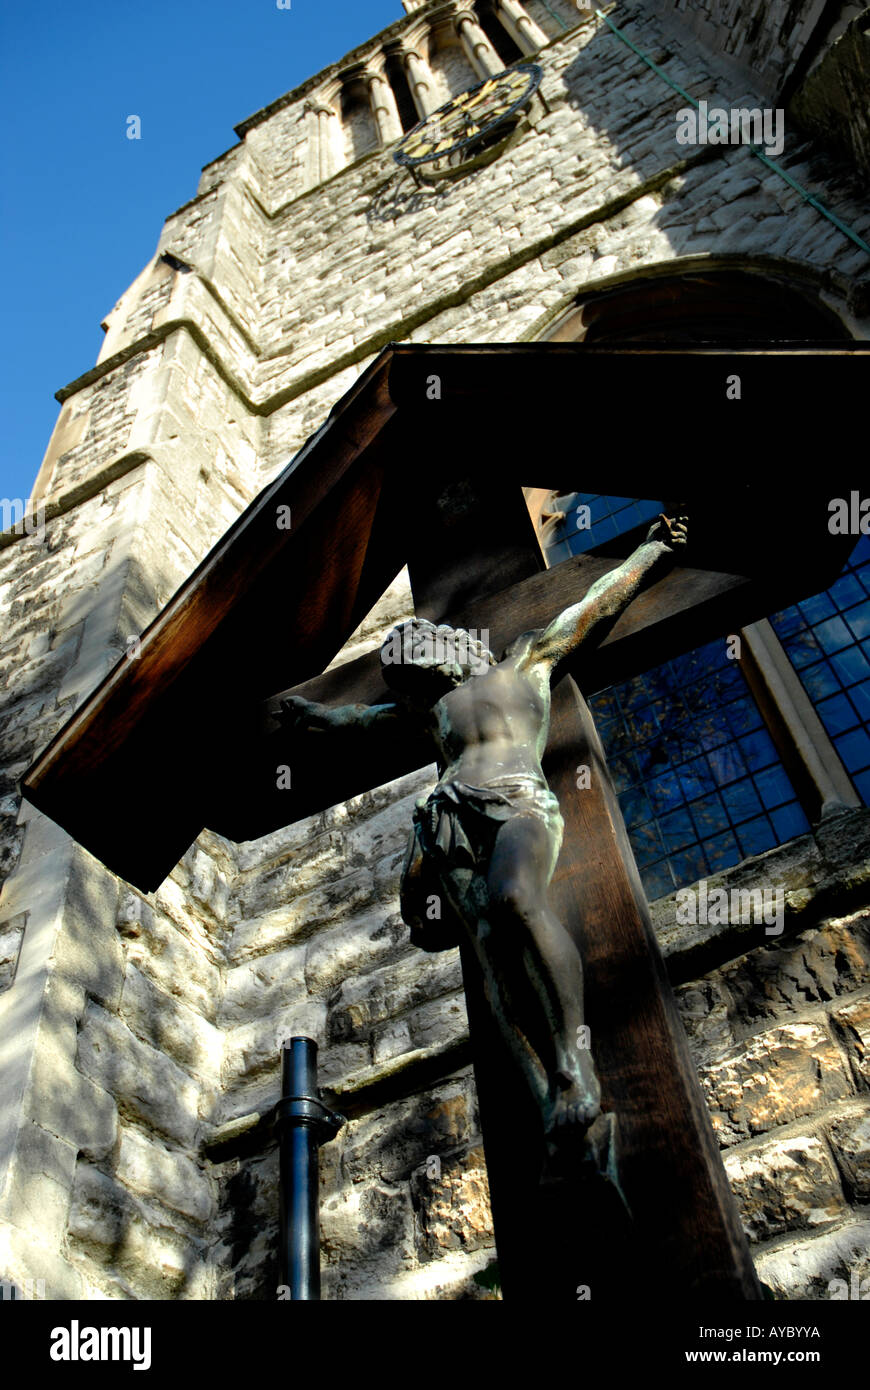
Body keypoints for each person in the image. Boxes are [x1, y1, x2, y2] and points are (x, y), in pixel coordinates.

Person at [281, 514, 688, 1140]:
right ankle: (547, 1099)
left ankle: (573, 1062)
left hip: (518, 799)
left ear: (451, 645)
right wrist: (311, 716)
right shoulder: (429, 712)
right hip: (449, 822)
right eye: (408, 665)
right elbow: (358, 723)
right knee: (495, 961)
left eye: (420, 652)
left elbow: (589, 606)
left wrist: (650, 550)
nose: (415, 668)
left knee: (518, 900)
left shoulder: (525, 662)